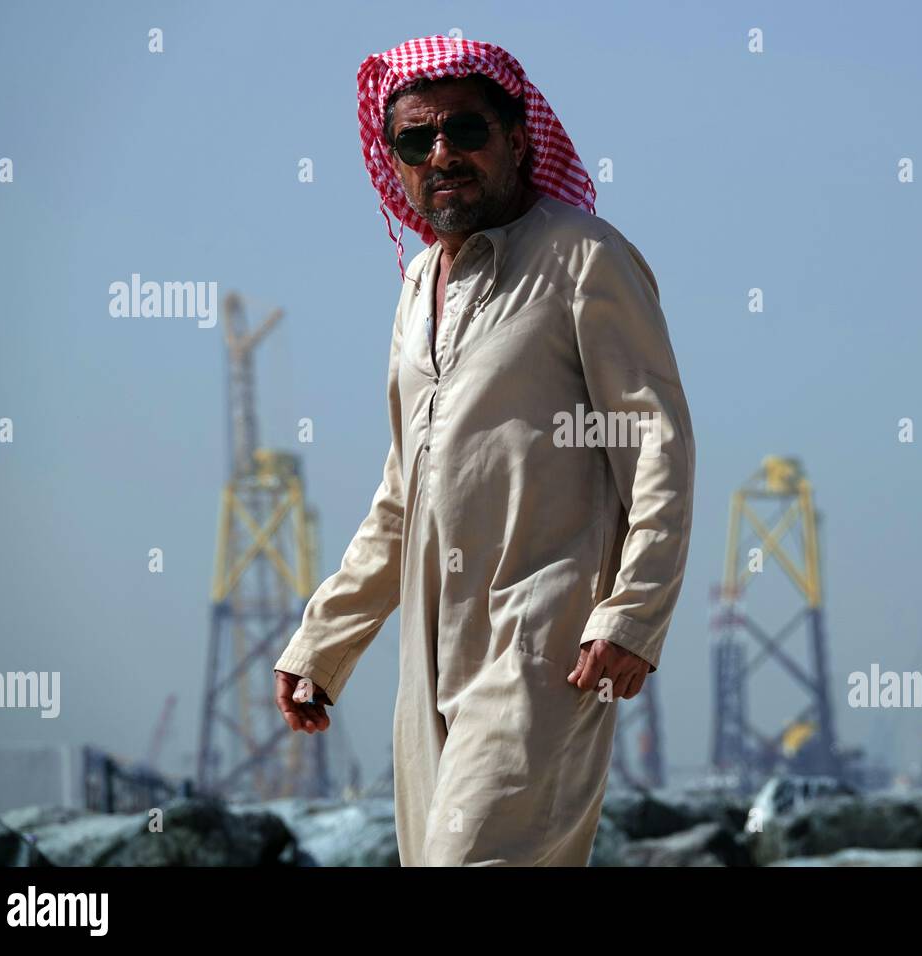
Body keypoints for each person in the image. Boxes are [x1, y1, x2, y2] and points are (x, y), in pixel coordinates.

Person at [273, 34, 695, 866]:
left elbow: (656, 448)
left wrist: (634, 615)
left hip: (548, 647)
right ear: (391, 159)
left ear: (517, 138)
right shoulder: (415, 291)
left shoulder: (584, 257)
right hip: (426, 666)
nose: (442, 155)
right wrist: (323, 642)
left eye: (465, 131)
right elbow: (405, 496)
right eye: (415, 140)